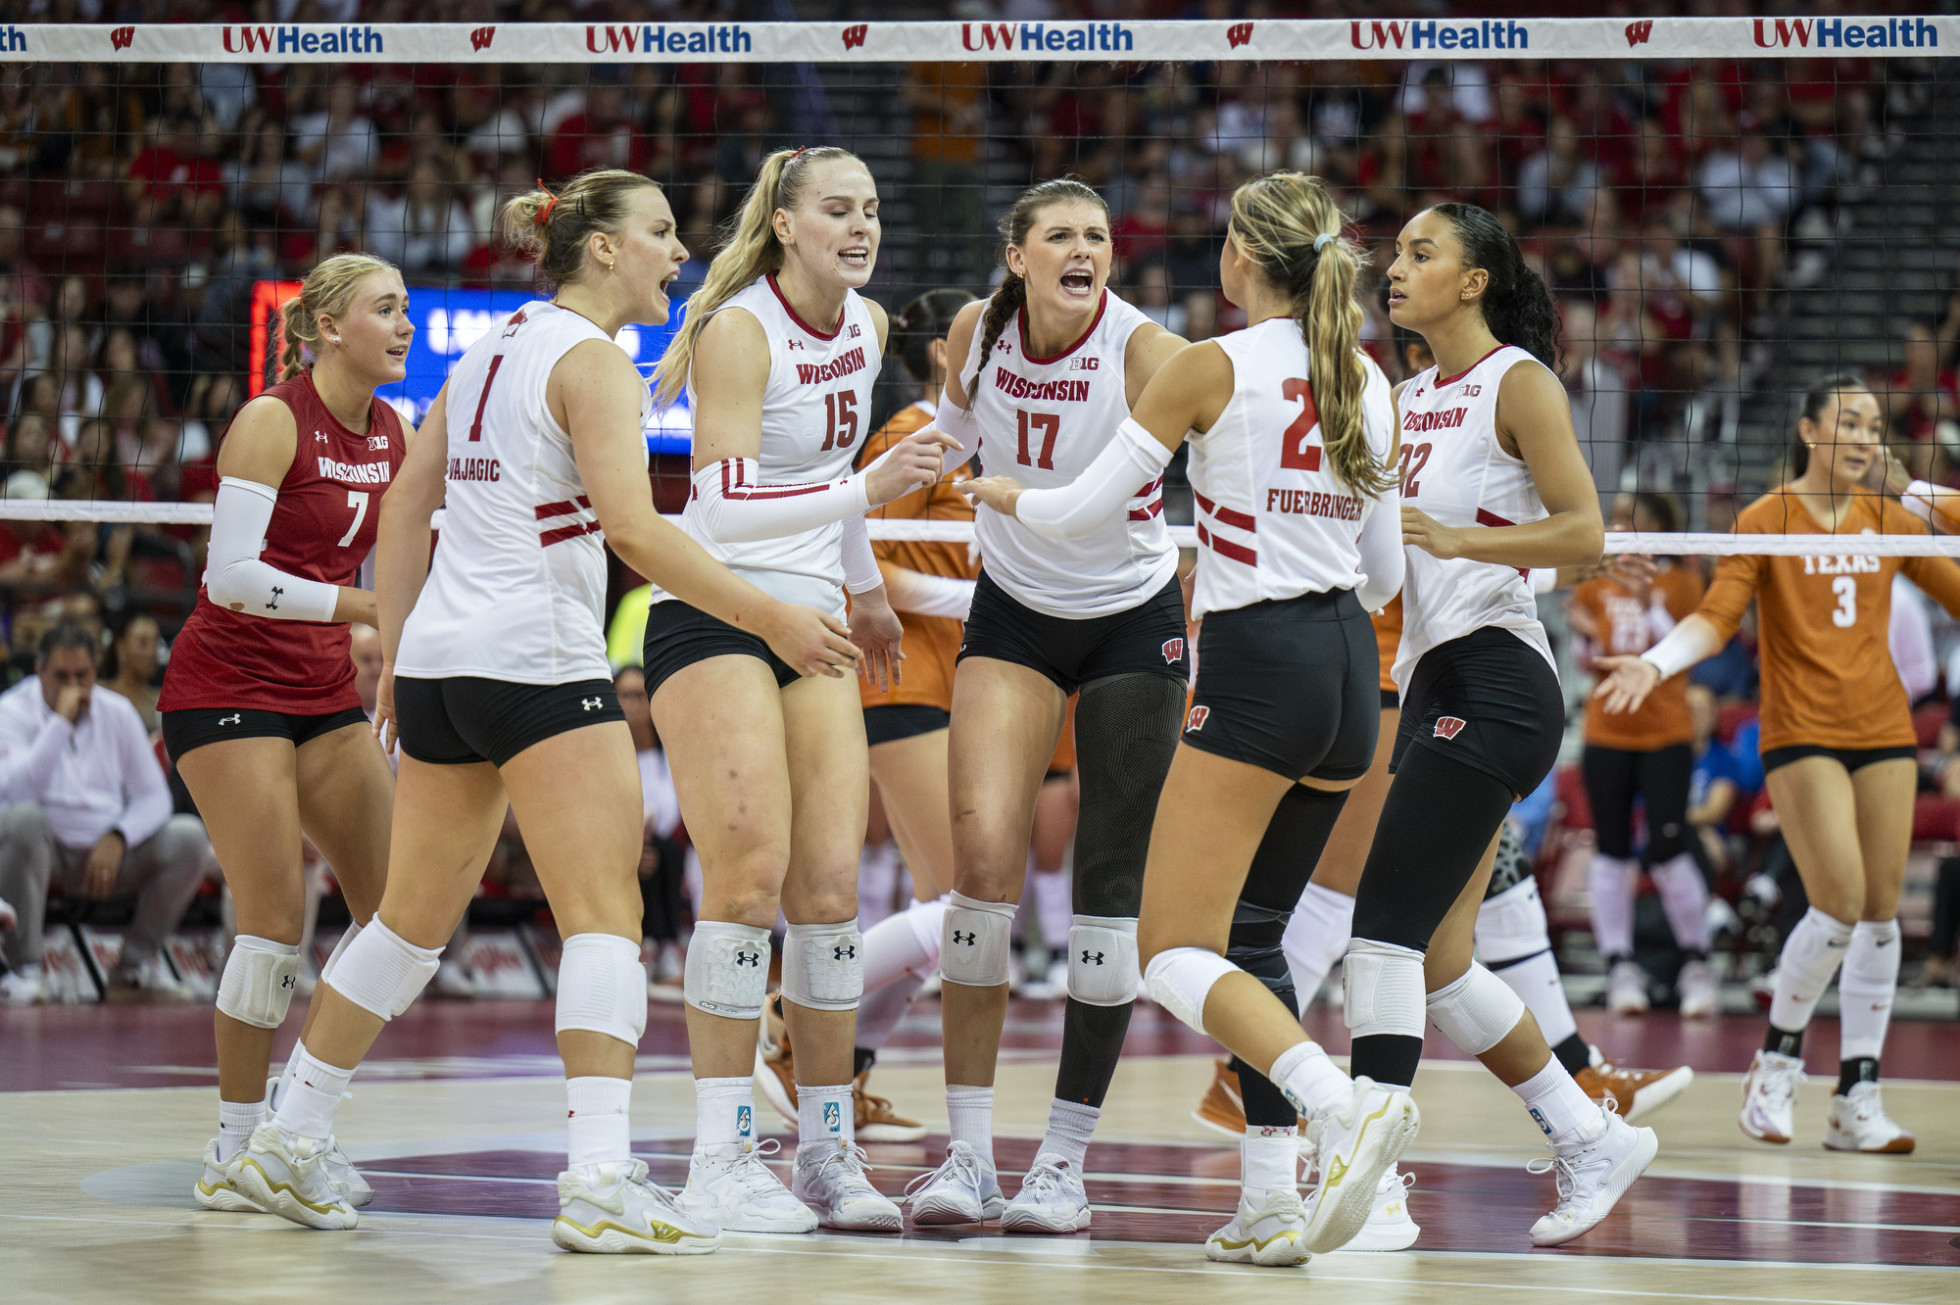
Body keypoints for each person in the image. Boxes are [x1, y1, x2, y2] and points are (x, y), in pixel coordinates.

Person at [244, 168, 857, 1254]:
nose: (679, 253)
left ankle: (288, 1133)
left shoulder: (486, 349)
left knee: (407, 923)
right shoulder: (592, 364)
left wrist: (391, 648)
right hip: (539, 663)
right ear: (604, 250)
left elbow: (404, 501)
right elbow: (636, 532)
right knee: (606, 921)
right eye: (661, 233)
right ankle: (599, 1176)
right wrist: (773, 618)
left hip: (441, 664)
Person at [967, 171, 1404, 1265]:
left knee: (1170, 949)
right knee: (1253, 937)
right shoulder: (1363, 372)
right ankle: (1266, 1199)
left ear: (1240, 261)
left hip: (1261, 666)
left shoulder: (1211, 363)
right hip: (1352, 670)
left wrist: (998, 493)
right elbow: (1386, 574)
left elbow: (1075, 511)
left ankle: (1336, 1104)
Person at [645, 145, 952, 1235]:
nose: (860, 227)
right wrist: (861, 488)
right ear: (784, 223)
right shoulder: (740, 330)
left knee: (829, 895)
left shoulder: (866, 329)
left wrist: (866, 587)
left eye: (870, 209)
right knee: (746, 881)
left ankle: (824, 1155)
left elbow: (836, 501)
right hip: (717, 610)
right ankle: (719, 1159)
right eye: (837, 210)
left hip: (816, 616)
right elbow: (720, 508)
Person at [907, 178, 1191, 1234]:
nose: (1085, 250)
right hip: (1013, 614)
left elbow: (1110, 500)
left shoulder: (1146, 351)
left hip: (1129, 616)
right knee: (979, 879)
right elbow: (940, 444)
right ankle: (966, 1159)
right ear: (1018, 254)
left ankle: (1061, 1168)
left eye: (1099, 236)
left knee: (1106, 895)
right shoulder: (978, 331)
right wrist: (842, 526)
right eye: (1062, 236)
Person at [1596, 373, 1960, 1154]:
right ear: (1807, 431)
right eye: (1849, 423)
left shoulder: (1890, 516)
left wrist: (1925, 493)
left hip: (1884, 729)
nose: (1865, 437)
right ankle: (1777, 1060)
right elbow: (1718, 616)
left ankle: (1857, 1094)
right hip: (1802, 730)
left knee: (1882, 914)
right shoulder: (1767, 519)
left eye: (1873, 426)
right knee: (1839, 903)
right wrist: (1656, 664)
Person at [151, 253, 409, 1212]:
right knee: (272, 923)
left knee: (401, 911)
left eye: (408, 308)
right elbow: (229, 577)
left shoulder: (394, 433)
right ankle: (231, 1151)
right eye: (386, 309)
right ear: (329, 327)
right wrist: (364, 605)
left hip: (323, 692)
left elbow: (433, 539)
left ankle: (296, 1128)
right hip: (226, 687)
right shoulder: (272, 419)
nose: (405, 323)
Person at [754, 286, 977, 1146]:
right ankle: (787, 1010)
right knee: (966, 903)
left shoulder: (978, 447)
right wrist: (984, 598)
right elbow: (872, 572)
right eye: (982, 344)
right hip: (895, 676)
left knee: (946, 914)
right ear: (943, 356)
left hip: (942, 677)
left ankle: (839, 1071)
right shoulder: (910, 436)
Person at [0, 625, 214, 1005]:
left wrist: (119, 837)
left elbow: (154, 799)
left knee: (189, 837)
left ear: (96, 671)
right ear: (39, 670)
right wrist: (59, 724)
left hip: (110, 856)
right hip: (45, 851)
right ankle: (24, 969)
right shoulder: (12, 710)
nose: (73, 687)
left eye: (82, 676)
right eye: (61, 677)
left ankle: (132, 968)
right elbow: (17, 791)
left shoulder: (117, 712)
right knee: (22, 822)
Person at [1567, 492, 1716, 1017]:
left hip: (1666, 732)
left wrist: (1651, 601)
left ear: (1658, 527)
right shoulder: (1594, 578)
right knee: (1610, 847)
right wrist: (1583, 637)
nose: (1619, 523)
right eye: (1617, 515)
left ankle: (1697, 963)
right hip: (1607, 731)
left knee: (1668, 847)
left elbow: (1685, 649)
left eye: (1632, 517)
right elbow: (1590, 660)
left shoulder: (1682, 581)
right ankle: (1618, 965)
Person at [101, 612, 162, 735]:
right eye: (143, 643)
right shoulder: (99, 694)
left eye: (156, 643)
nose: (152, 653)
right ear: (121, 646)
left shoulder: (162, 702)